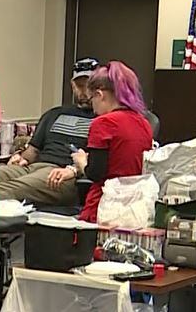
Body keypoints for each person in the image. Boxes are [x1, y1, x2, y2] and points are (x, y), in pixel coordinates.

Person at [49, 61, 153, 222]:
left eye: (92, 99)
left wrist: (81, 162)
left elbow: (96, 173)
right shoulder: (144, 123)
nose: (93, 108)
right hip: (135, 209)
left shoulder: (103, 123)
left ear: (100, 94)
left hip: (105, 207)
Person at [0, 57, 99, 205]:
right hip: (34, 166)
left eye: (90, 86)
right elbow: (32, 152)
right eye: (80, 86)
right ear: (72, 85)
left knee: (2, 191)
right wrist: (19, 156)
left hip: (63, 173)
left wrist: (76, 170)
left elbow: (99, 162)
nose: (85, 92)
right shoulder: (54, 113)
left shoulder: (102, 119)